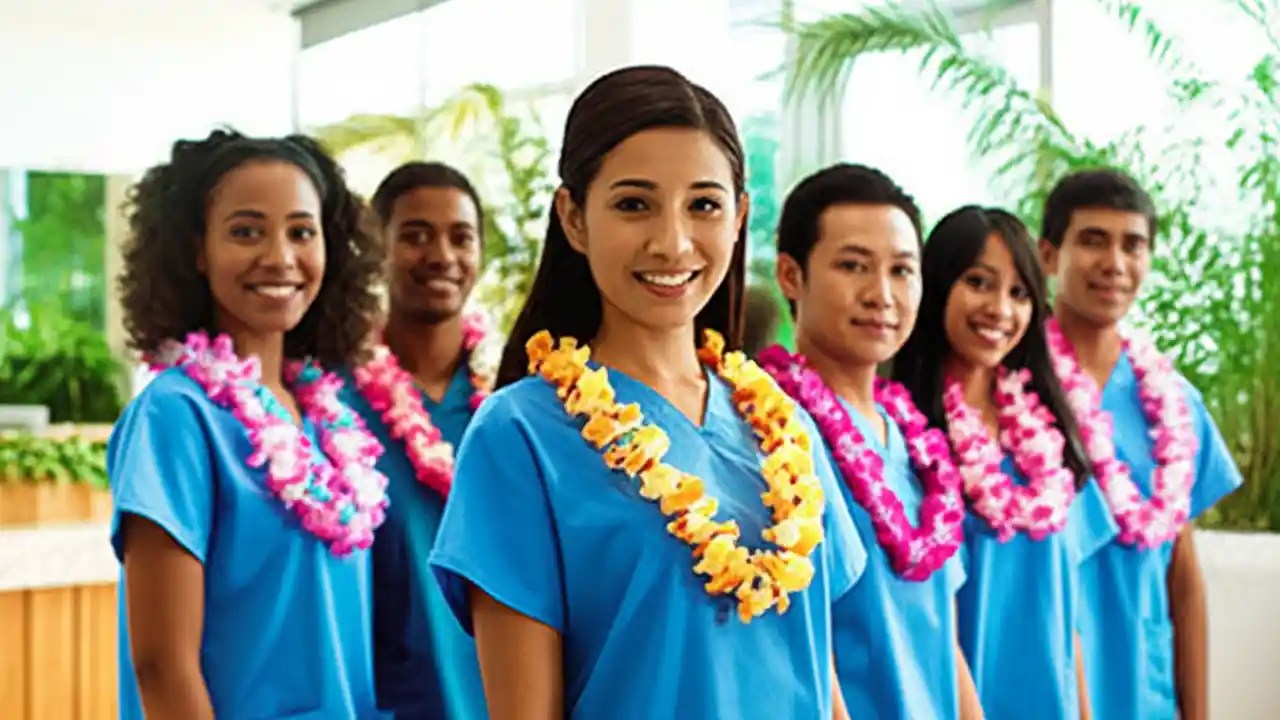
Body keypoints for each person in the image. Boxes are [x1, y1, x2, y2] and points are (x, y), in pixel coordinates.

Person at [427, 65, 866, 720]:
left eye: (705, 205)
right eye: (634, 204)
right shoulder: (518, 436)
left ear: (740, 217)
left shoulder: (785, 429)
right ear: (574, 217)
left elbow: (815, 672)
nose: (673, 241)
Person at [109, 129, 388, 719]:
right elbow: (162, 665)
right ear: (197, 251)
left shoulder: (329, 420)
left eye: (301, 232)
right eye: (246, 231)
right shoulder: (176, 416)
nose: (280, 257)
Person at [758, 163, 981, 719]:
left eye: (902, 271)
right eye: (853, 266)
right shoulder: (767, 429)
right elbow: (797, 643)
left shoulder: (916, 441)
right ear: (791, 274)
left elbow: (942, 637)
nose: (881, 295)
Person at [893, 205, 1118, 719]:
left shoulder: (1050, 437)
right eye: (978, 282)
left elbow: (1068, 613)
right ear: (936, 284)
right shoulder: (904, 437)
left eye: (1019, 293)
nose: (1000, 308)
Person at [1037, 169, 1243, 720]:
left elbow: (1183, 579)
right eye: (1094, 240)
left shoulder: (1174, 404)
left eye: (1134, 244)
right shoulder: (1009, 387)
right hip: (1035, 680)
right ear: (1048, 256)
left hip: (1140, 691)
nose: (1115, 263)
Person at [338, 161, 497, 720]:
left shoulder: (509, 407)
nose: (441, 256)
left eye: (461, 236)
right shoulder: (334, 406)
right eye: (415, 236)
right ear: (376, 249)